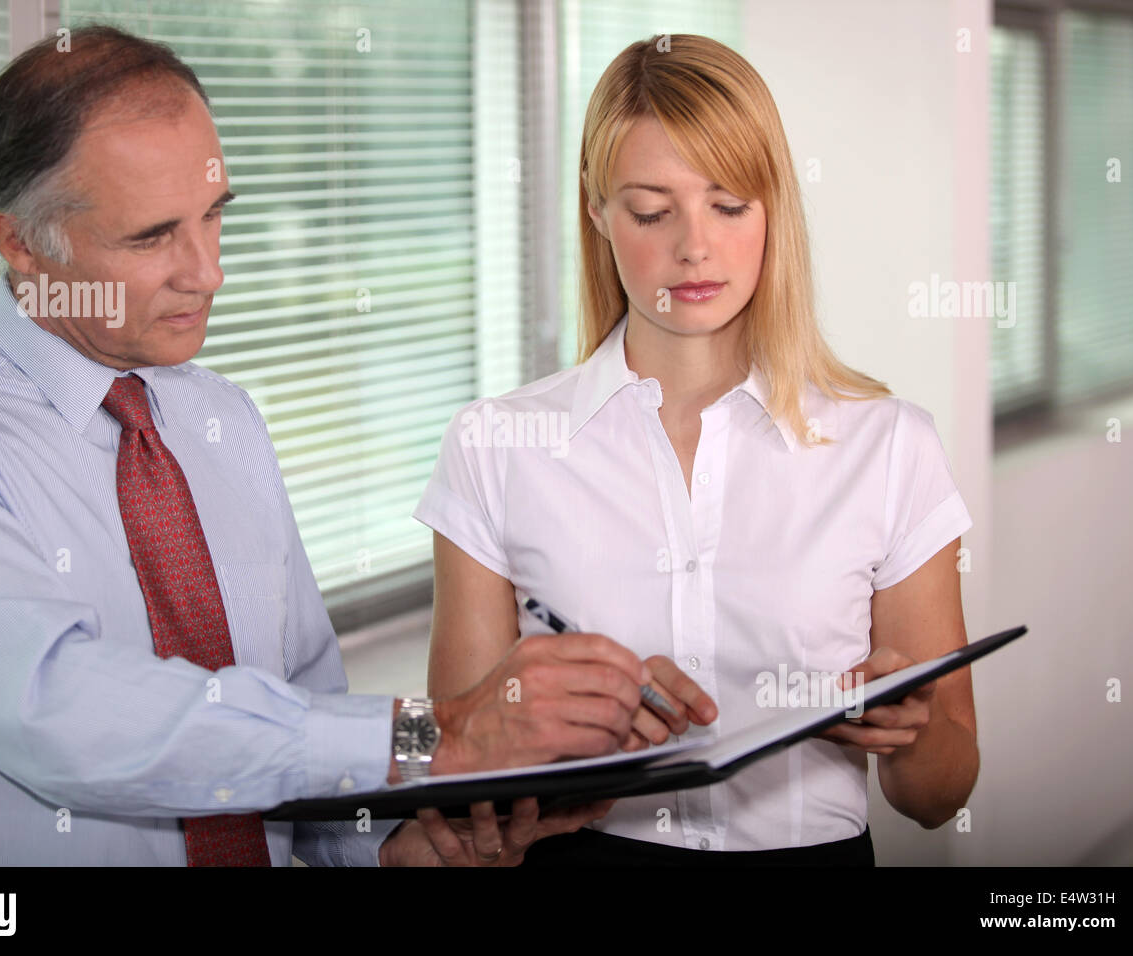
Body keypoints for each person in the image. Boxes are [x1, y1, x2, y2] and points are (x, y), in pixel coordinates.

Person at [0, 25, 652, 867]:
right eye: (152, 236)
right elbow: (56, 708)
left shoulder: (222, 422)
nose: (208, 272)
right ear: (20, 241)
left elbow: (299, 728)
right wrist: (440, 733)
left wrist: (405, 846)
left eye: (212, 217)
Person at [415, 34, 978, 866]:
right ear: (596, 210)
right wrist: (571, 724)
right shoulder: (495, 447)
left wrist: (910, 729)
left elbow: (941, 798)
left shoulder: (890, 446)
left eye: (729, 204)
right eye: (652, 210)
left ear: (773, 206)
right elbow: (460, 791)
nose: (694, 248)